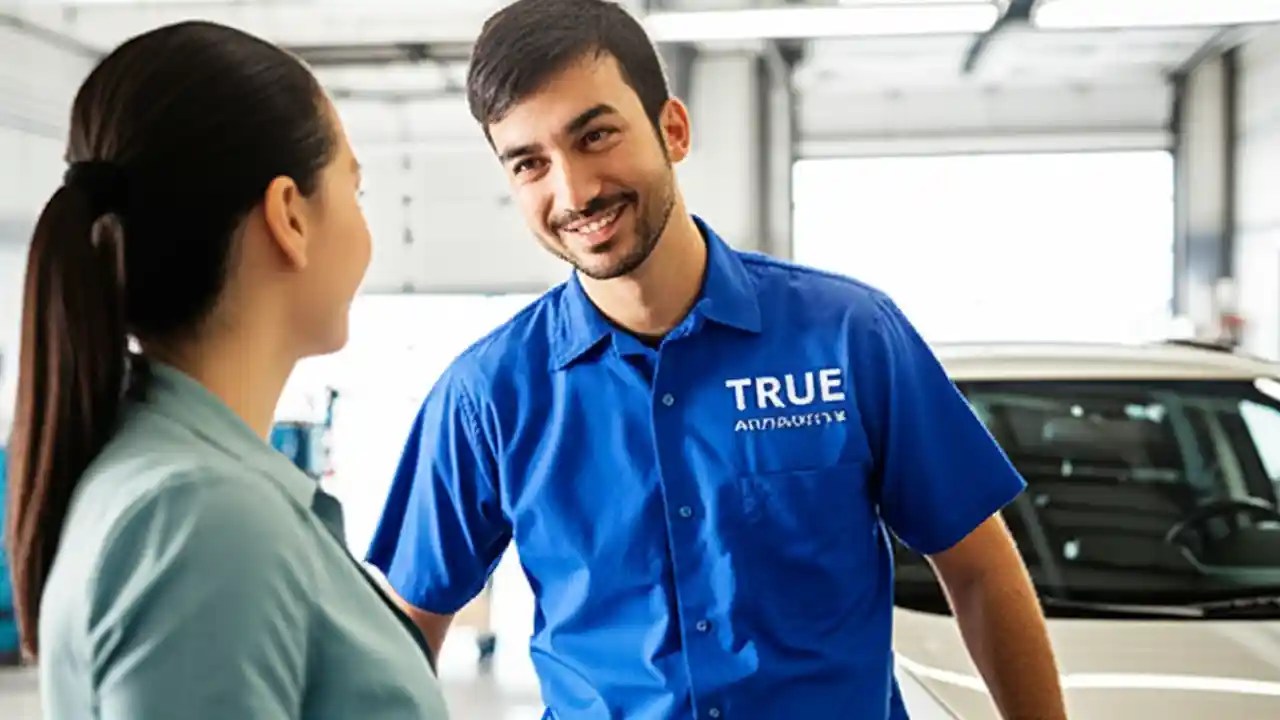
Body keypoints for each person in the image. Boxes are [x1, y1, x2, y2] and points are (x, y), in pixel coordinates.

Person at [366, 1, 1068, 718]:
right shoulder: (487, 397)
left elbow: (979, 573)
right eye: (530, 164)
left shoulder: (849, 337)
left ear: (673, 129)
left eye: (596, 135)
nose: (573, 191)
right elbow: (397, 641)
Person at [4, 21, 449, 720]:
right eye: (354, 192)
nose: (367, 234)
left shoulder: (177, 489)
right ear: (289, 217)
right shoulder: (203, 516)